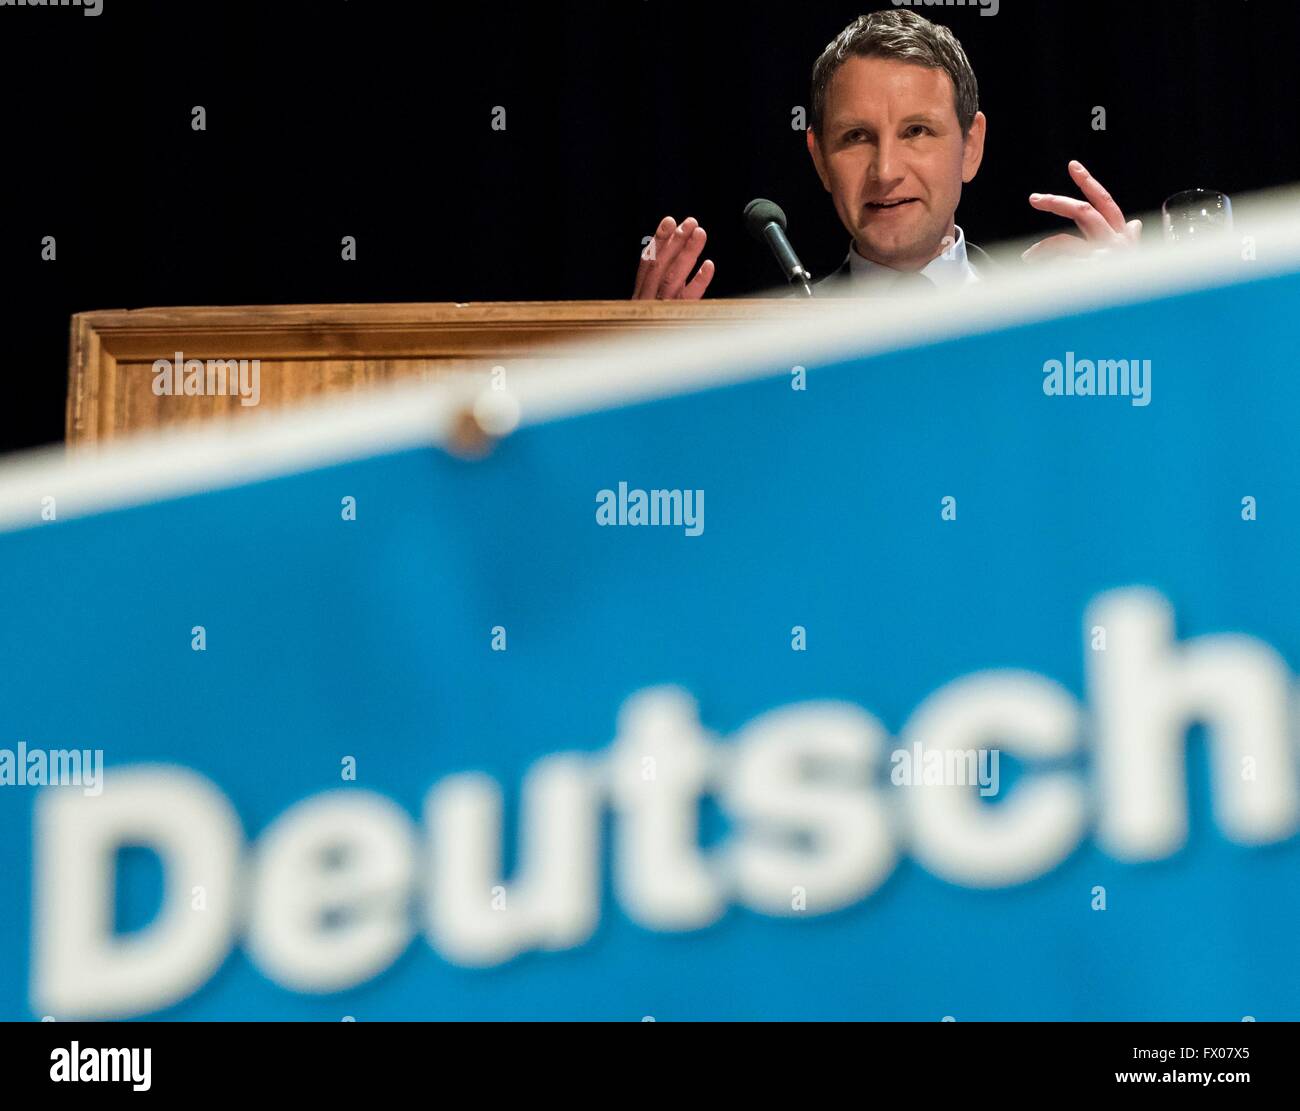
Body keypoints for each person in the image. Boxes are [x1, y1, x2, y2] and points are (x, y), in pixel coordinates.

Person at [631, 9, 1142, 301]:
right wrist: (639, 382)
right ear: (819, 160)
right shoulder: (768, 345)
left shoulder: (1050, 314)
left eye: (917, 131)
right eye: (856, 137)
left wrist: (1149, 326)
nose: (886, 171)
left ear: (971, 147)